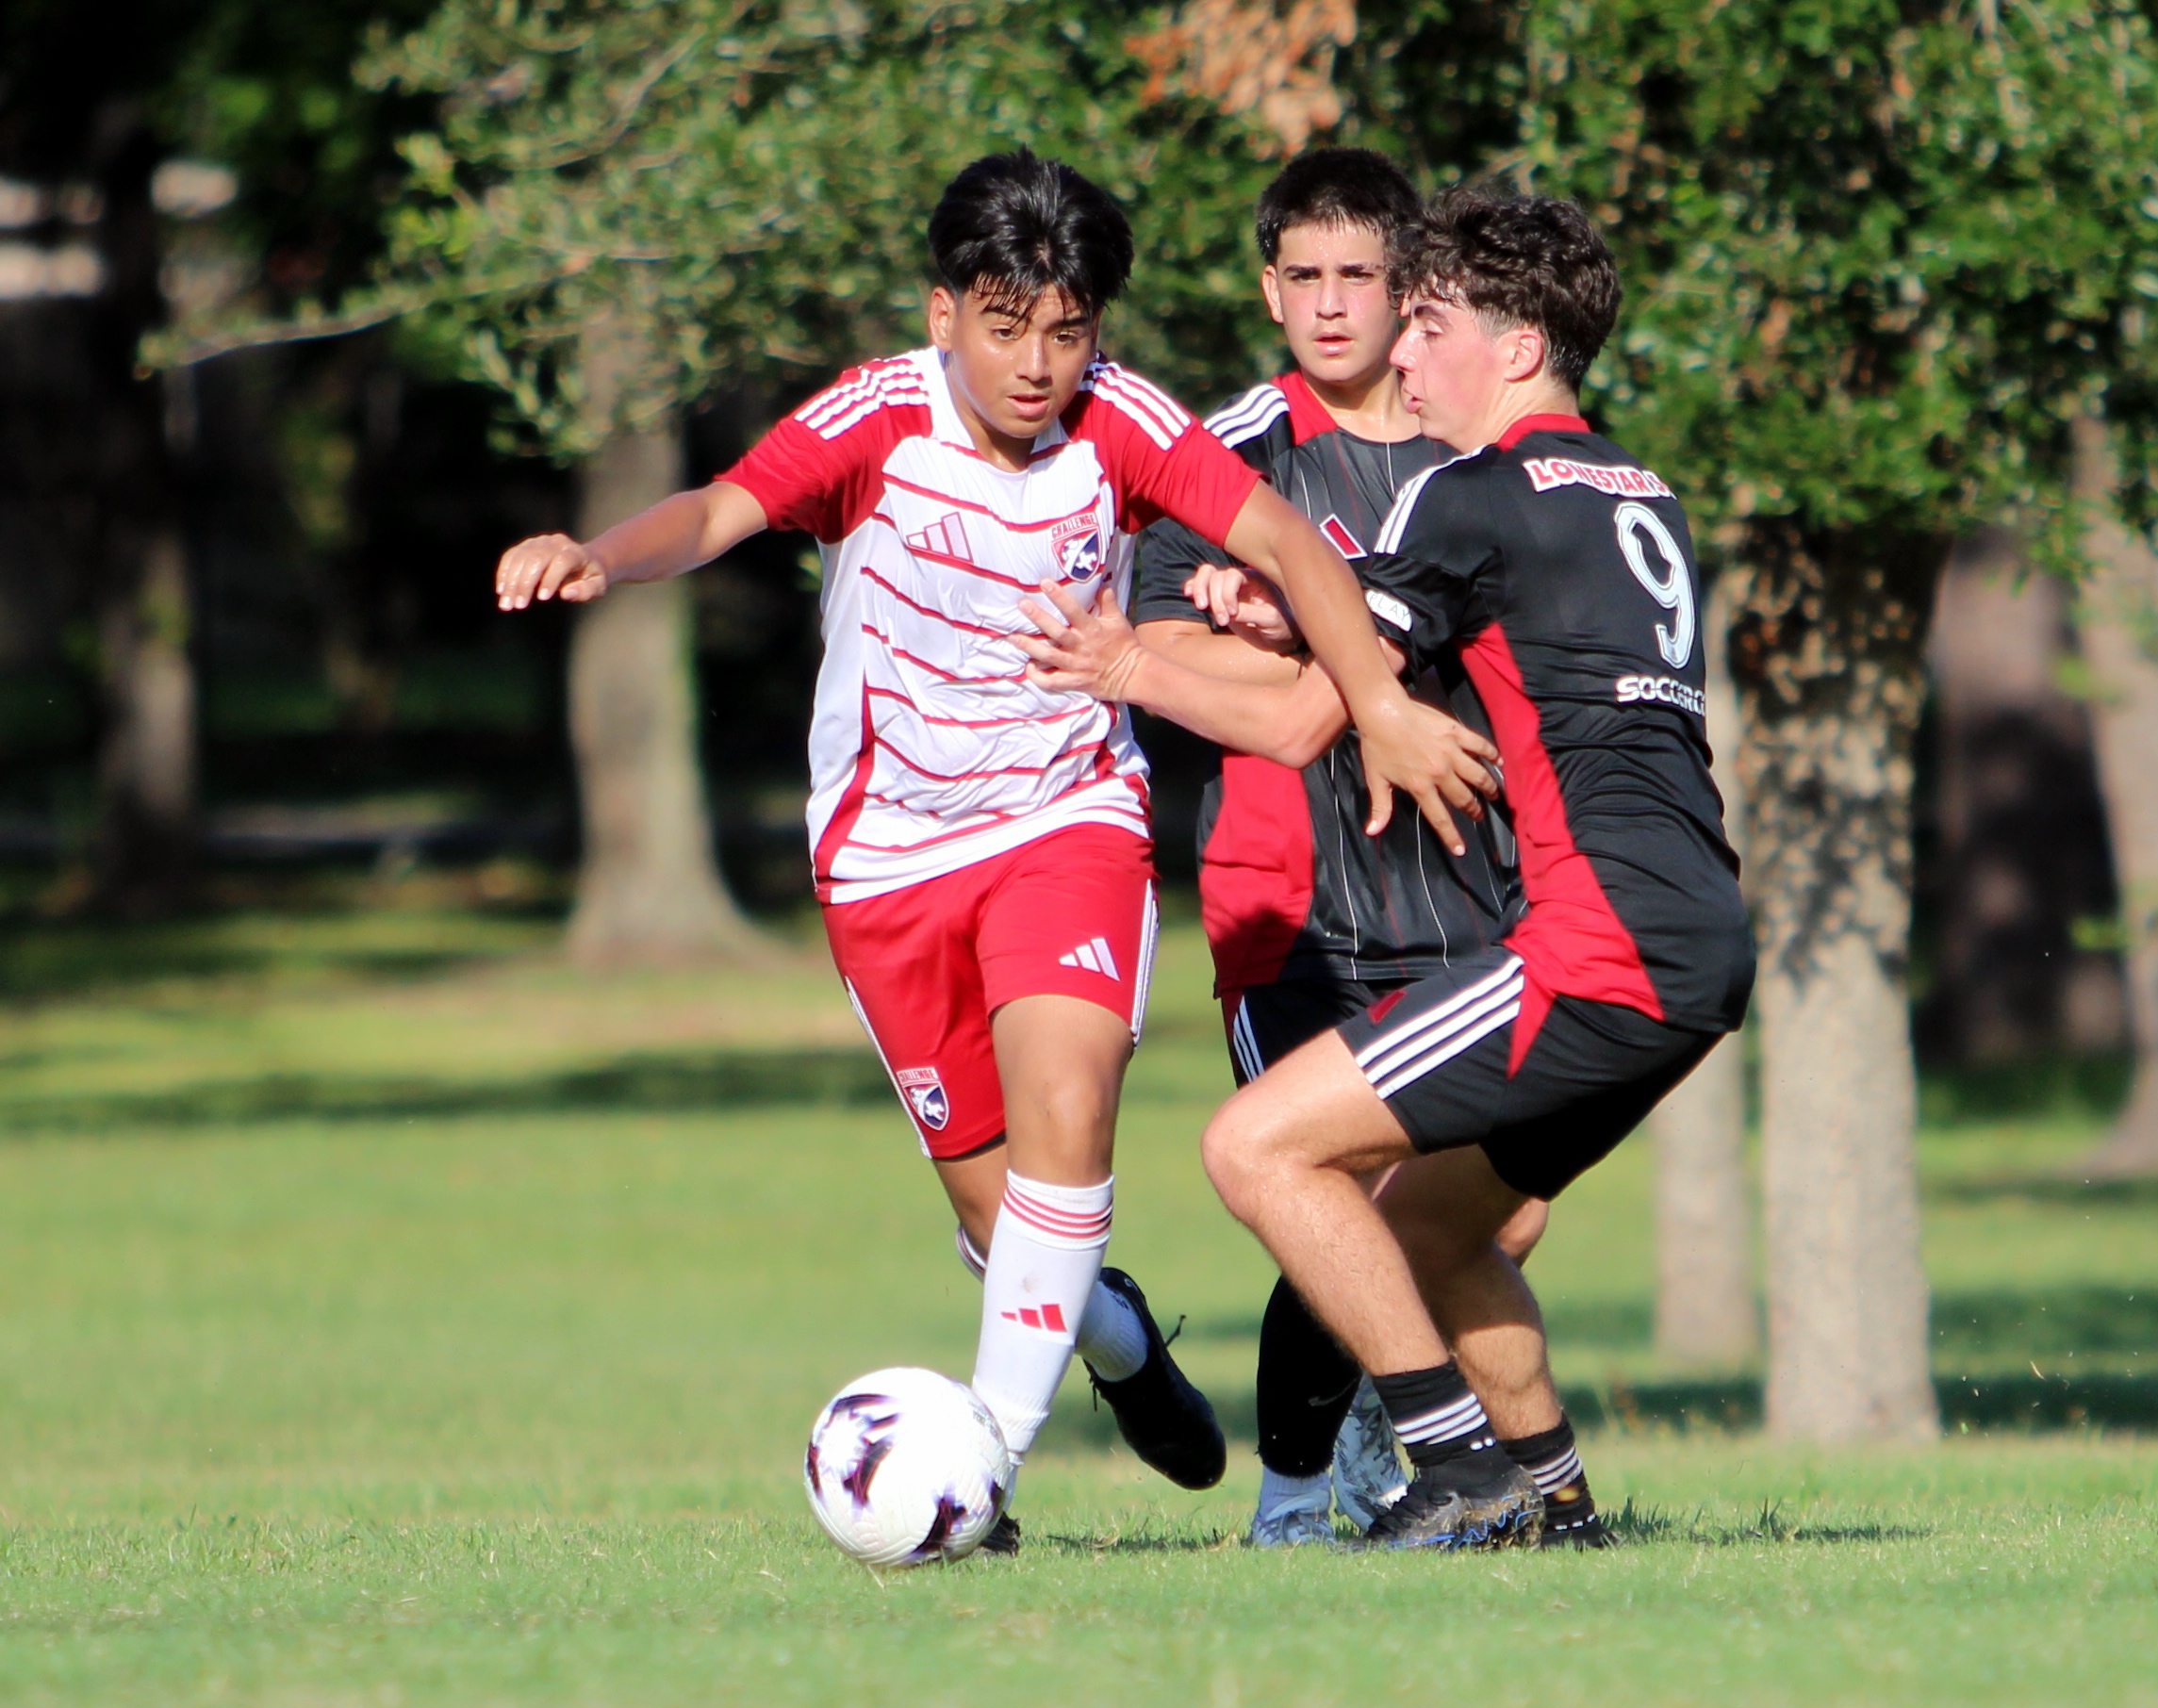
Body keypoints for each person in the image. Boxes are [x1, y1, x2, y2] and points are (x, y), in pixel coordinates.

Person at [487, 149, 1498, 1547]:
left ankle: (985, 1476)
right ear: (945, 312)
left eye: (1067, 332)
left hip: (1065, 818)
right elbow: (720, 509)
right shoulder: (875, 419)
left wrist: (1377, 703)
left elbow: (1282, 536)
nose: (1037, 366)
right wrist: (603, 554)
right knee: (999, 1213)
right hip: (887, 857)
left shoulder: (1121, 421)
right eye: (1006, 327)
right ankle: (1116, 1338)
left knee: (1068, 1115)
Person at [1104, 185, 1753, 1550]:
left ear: (1517, 347)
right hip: (1699, 933)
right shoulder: (1640, 490)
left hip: (1598, 944)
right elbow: (1462, 633)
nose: (1403, 351)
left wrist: (1136, 658)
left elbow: (1320, 706)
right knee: (1433, 1231)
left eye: (1433, 325)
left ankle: (1458, 1471)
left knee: (1256, 1146)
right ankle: (1558, 1507)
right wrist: (1288, 611)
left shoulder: (1470, 491)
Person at [1124, 148, 1554, 1547]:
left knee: (1490, 1211)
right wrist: (1322, 657)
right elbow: (1154, 649)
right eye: (1301, 276)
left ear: (1405, 285)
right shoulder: (1230, 452)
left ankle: (1385, 1418)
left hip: (1470, 878)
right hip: (1291, 898)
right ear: (1268, 289)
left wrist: (1313, 625)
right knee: (1330, 1182)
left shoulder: (1470, 440)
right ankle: (1297, 1503)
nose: (1327, 304)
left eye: (1357, 275)